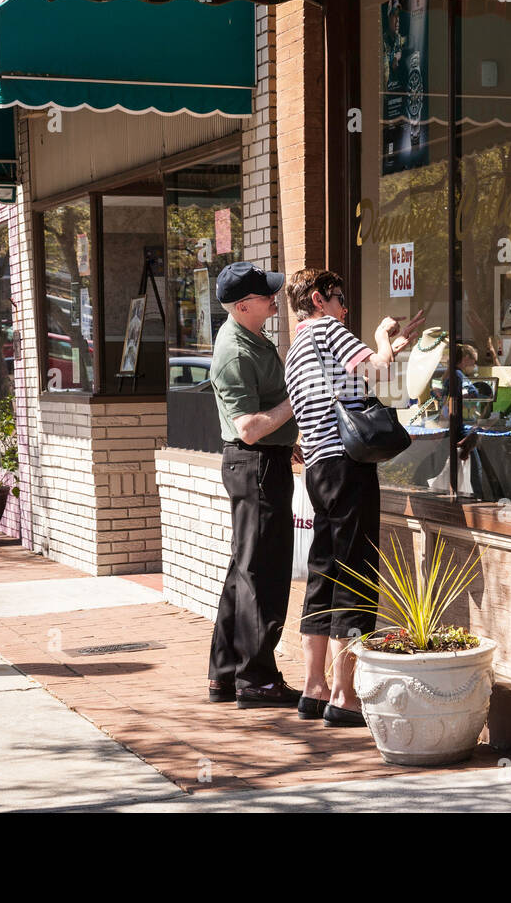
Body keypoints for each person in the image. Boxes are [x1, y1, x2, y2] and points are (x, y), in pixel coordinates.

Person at [283, 268, 424, 727]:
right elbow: (378, 371)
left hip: (318, 467)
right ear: (320, 299)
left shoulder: (295, 348)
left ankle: (313, 687)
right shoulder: (328, 328)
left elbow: (353, 387)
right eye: (341, 298)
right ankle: (345, 695)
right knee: (357, 570)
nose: (346, 307)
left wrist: (389, 352)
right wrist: (384, 338)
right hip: (347, 466)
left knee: (323, 569)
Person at [207, 261, 302, 709]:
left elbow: (265, 417)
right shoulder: (235, 352)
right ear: (243, 306)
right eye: (266, 296)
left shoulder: (254, 337)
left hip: (266, 460)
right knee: (261, 572)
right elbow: (248, 427)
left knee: (243, 571)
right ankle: (257, 679)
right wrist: (295, 402)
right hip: (255, 465)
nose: (274, 299)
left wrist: (287, 439)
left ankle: (226, 675)